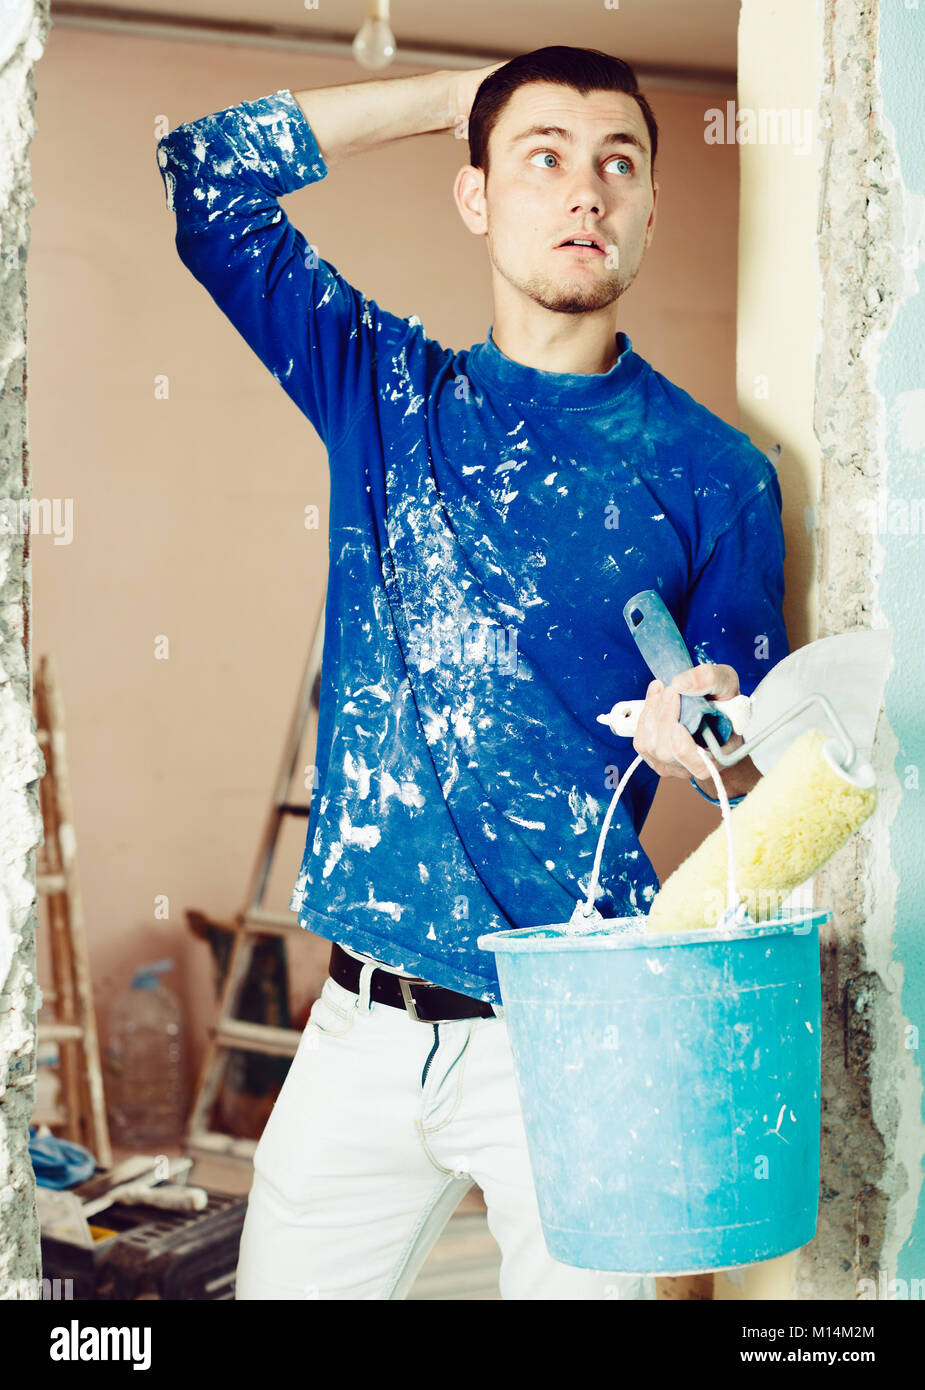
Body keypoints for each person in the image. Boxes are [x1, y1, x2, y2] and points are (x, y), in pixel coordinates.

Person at [156, 45, 788, 1300]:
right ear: (476, 196)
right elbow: (203, 174)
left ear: (652, 206)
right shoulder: (382, 393)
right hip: (354, 1026)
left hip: (575, 1028)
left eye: (618, 165)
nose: (584, 194)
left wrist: (709, 741)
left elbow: (761, 772)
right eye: (539, 158)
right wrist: (455, 97)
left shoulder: (717, 471)